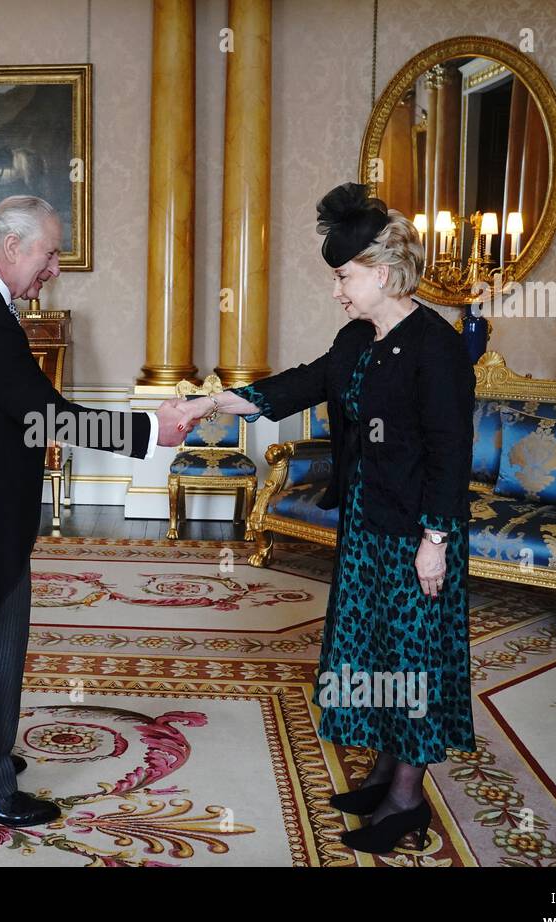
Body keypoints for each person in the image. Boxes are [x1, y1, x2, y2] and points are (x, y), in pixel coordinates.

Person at [170, 182, 476, 854]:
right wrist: (210, 404)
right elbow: (298, 385)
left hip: (415, 531)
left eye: (344, 276)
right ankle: (386, 771)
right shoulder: (356, 338)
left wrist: (436, 541)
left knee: (415, 660)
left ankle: (406, 797)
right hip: (366, 525)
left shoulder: (436, 346)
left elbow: (452, 451)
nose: (338, 290)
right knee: (376, 651)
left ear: (385, 272)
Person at [0, 195, 185, 829]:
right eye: (50, 252)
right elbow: (44, 413)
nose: (55, 267)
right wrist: (150, 433)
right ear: (10, 247)